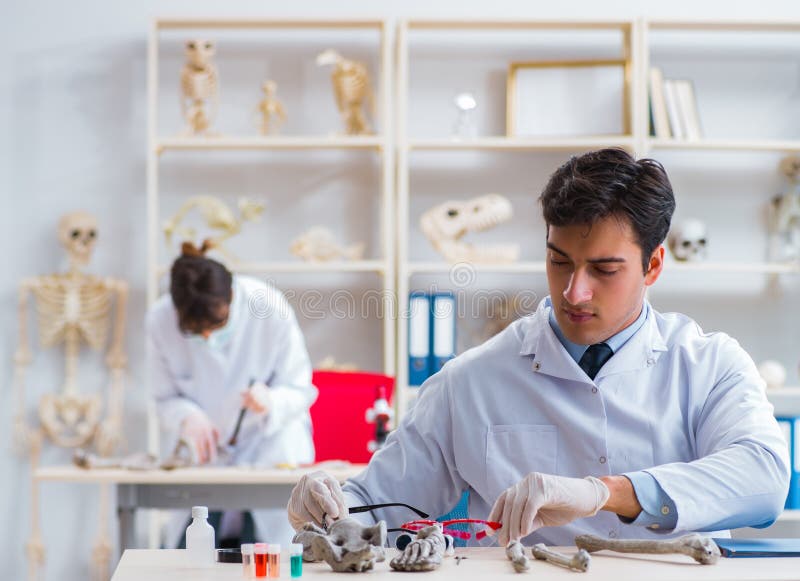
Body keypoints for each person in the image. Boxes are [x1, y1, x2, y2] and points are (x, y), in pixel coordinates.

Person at [287, 148, 790, 547]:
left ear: (654, 265)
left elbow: (766, 479)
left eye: (604, 270)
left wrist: (604, 493)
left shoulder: (709, 364)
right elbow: (378, 504)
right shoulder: (471, 379)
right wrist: (325, 502)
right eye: (559, 262)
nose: (575, 292)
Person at [147, 241, 317, 546]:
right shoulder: (160, 321)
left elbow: (301, 389)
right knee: (190, 556)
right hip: (204, 457)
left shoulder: (268, 307)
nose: (209, 338)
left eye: (216, 325)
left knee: (272, 558)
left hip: (268, 449)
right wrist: (188, 416)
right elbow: (163, 398)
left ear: (232, 296)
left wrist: (272, 401)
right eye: (196, 333)